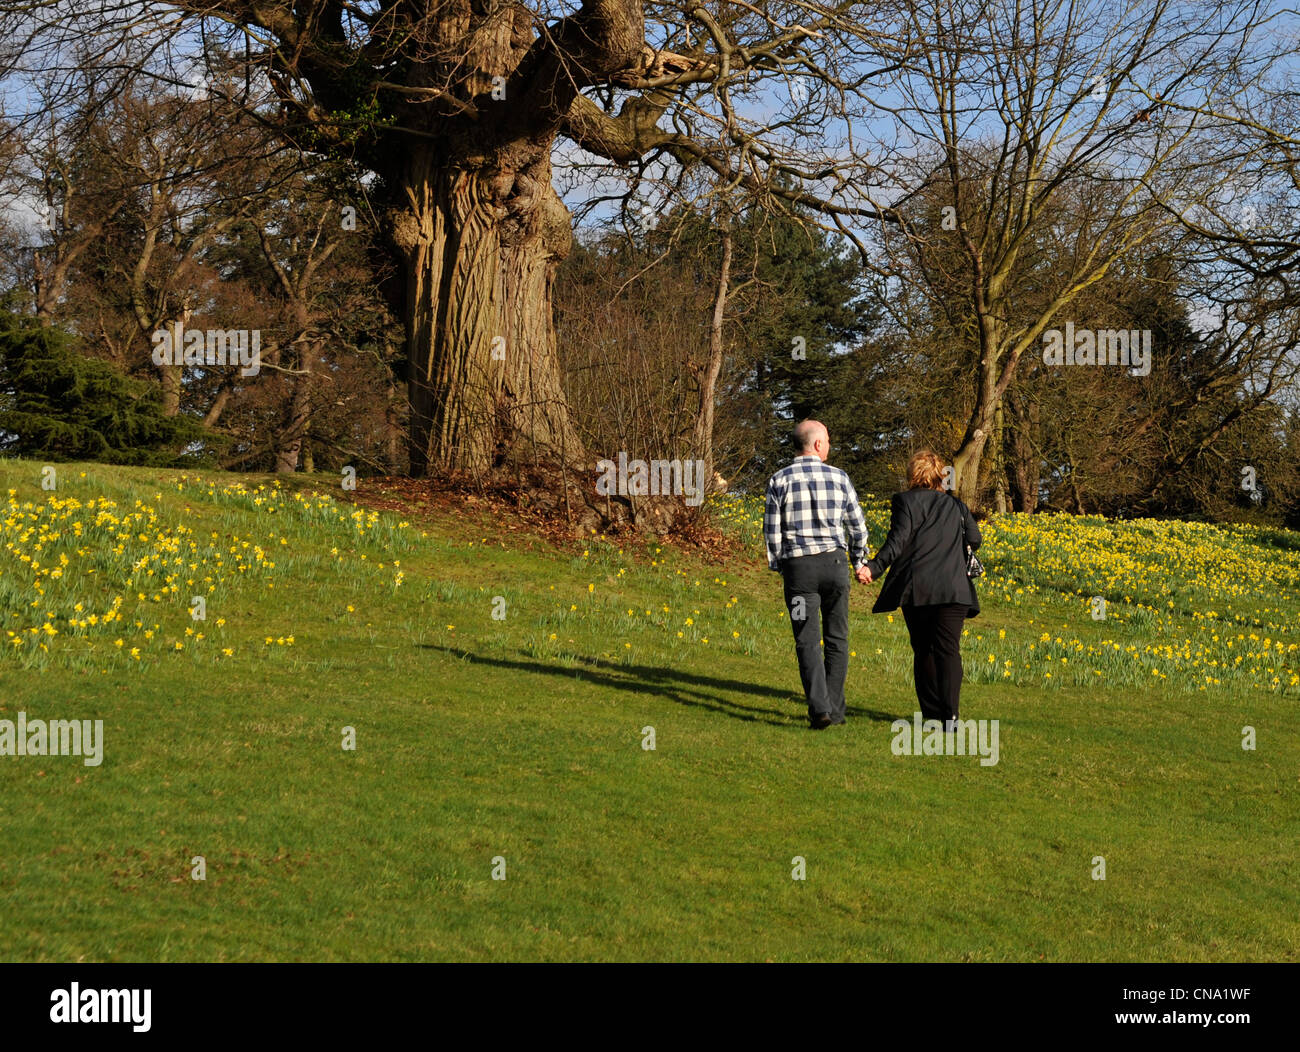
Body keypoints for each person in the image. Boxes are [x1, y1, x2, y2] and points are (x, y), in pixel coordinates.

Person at [861, 451, 981, 730]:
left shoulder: (905, 501)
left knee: (924, 649)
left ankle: (931, 713)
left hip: (919, 588)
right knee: (949, 650)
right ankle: (951, 716)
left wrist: (873, 568)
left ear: (912, 474)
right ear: (941, 475)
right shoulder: (957, 506)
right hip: (954, 589)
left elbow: (898, 541)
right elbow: (975, 539)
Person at [764, 419, 870, 729]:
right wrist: (858, 559)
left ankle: (820, 708)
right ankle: (835, 710)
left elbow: (772, 532)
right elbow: (858, 526)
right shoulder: (839, 478)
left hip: (800, 572)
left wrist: (779, 565)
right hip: (834, 566)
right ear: (818, 445)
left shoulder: (778, 480)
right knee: (837, 636)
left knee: (806, 640)